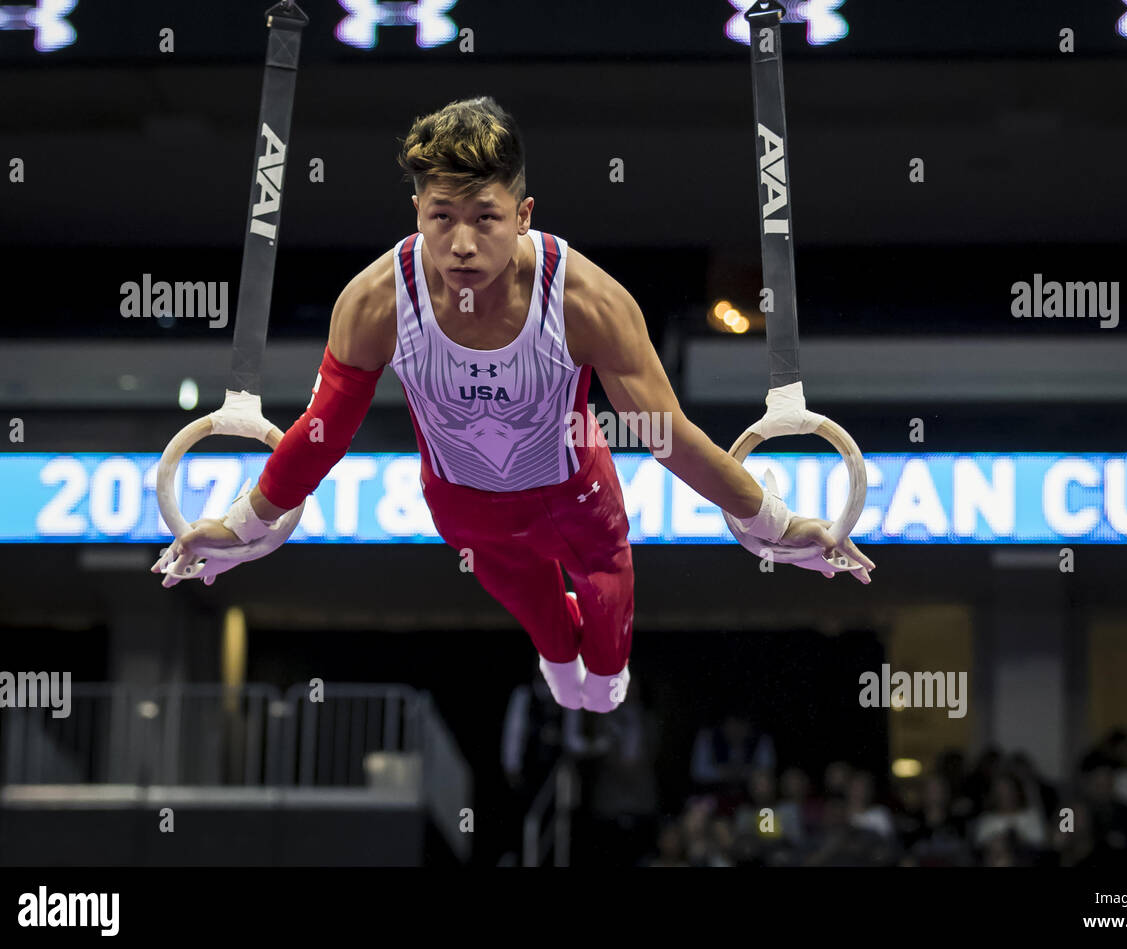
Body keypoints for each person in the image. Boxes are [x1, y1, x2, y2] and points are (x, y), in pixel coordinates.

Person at [151, 96, 870, 712]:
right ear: (416, 210)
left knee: (607, 655)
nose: (461, 243)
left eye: (486, 218)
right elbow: (321, 435)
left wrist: (778, 524)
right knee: (550, 639)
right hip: (464, 507)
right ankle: (562, 674)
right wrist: (240, 525)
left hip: (577, 496)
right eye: (441, 216)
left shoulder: (587, 300)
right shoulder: (376, 302)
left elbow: (667, 436)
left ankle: (605, 683)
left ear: (524, 213)